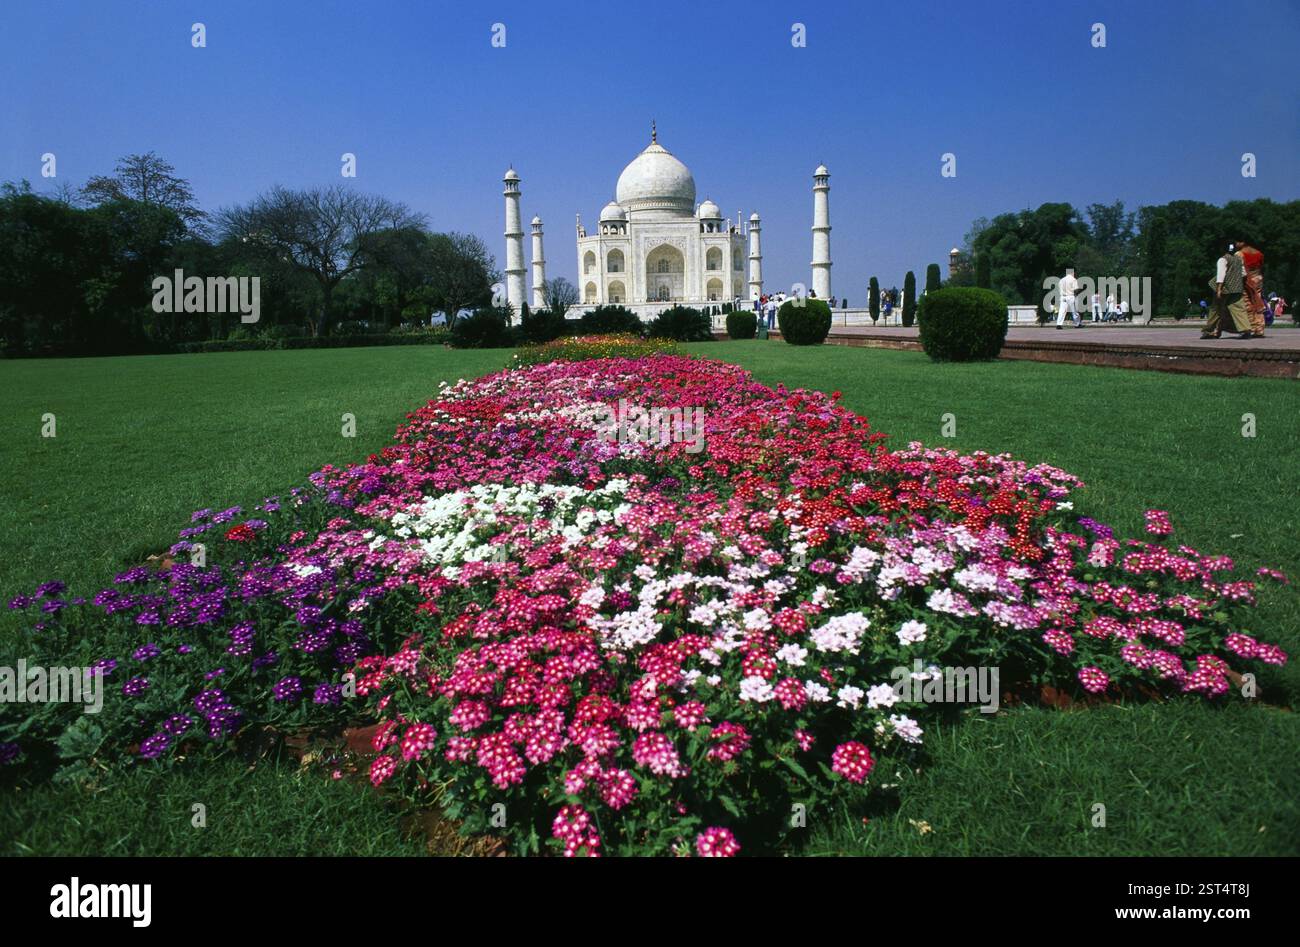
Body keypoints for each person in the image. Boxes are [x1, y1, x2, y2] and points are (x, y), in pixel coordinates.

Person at [1201, 244, 1251, 339]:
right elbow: (1244, 274)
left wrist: (1219, 289)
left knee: (1216, 310)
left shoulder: (1223, 259)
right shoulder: (1238, 259)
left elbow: (1221, 275)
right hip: (1237, 288)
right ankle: (1246, 330)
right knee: (1239, 309)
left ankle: (1208, 331)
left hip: (1224, 288)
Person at [1237, 238, 1266, 337]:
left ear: (1243, 242)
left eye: (1238, 241)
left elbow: (1240, 269)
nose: (1236, 244)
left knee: (1247, 304)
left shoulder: (1239, 254)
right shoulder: (1259, 253)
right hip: (1258, 279)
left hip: (1246, 280)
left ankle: (1250, 328)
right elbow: (1261, 267)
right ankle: (1260, 328)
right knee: (1258, 302)